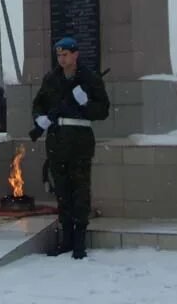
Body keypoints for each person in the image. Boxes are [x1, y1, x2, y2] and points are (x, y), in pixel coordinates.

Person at [31, 37, 110, 259]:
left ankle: (79, 242)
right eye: (59, 55)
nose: (61, 58)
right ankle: (66, 239)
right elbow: (39, 103)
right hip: (57, 140)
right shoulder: (51, 78)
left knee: (80, 191)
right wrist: (40, 119)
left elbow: (103, 110)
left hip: (80, 141)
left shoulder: (89, 78)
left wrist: (86, 103)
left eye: (65, 54)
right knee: (62, 192)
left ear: (76, 54)